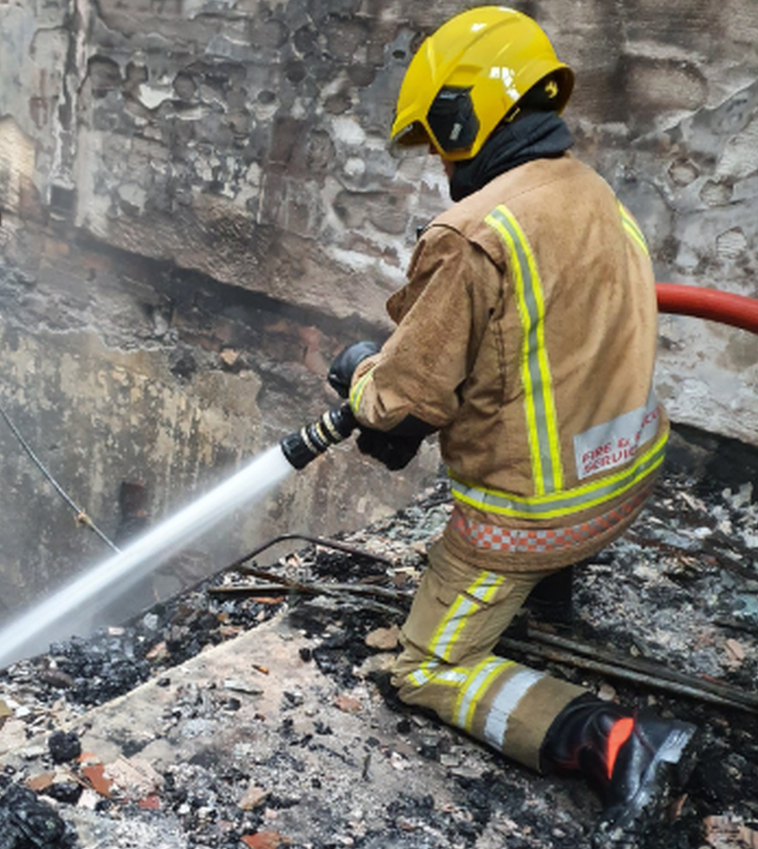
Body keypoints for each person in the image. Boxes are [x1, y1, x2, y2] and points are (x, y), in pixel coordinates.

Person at [326, 7, 698, 845]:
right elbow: (551, 355)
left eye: (441, 139)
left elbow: (401, 399)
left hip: (536, 519)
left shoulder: (475, 232)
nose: (445, 160)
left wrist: (358, 375)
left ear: (465, 118)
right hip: (628, 476)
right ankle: (547, 599)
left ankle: (615, 741)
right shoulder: (594, 191)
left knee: (420, 667)